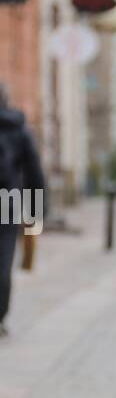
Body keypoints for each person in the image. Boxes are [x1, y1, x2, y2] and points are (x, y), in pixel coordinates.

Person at [0, 84, 45, 337]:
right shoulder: (18, 128)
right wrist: (36, 217)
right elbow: (34, 173)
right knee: (3, 262)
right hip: (7, 204)